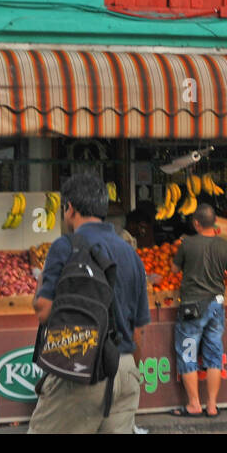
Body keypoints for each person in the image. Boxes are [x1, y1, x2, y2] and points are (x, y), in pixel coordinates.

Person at [29, 176, 149, 433]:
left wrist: (39, 283)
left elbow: (44, 311)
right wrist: (129, 372)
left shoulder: (65, 246)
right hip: (125, 368)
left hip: (80, 366)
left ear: (69, 208)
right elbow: (139, 332)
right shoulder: (131, 254)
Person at [172, 202, 227, 418]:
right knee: (214, 353)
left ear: (196, 223)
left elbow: (174, 269)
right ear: (214, 224)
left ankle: (194, 404)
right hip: (216, 305)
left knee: (188, 352)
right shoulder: (225, 246)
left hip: (192, 306)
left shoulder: (186, 244)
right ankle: (212, 405)